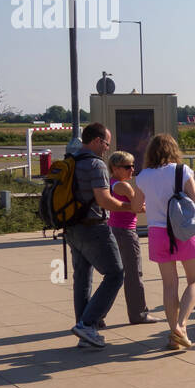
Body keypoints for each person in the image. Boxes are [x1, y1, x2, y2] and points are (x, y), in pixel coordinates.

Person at [136, 133, 195, 350]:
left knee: (169, 284)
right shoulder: (182, 171)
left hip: (157, 232)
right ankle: (181, 326)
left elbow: (136, 206)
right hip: (182, 231)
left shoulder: (143, 176)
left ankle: (172, 334)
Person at [67, 122, 133, 349]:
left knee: (83, 277)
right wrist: (130, 207)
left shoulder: (71, 160)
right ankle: (87, 324)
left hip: (72, 227)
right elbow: (104, 200)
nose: (107, 148)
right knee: (115, 274)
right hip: (94, 226)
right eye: (106, 143)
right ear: (96, 140)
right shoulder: (95, 165)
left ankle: (85, 329)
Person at [107, 151, 160, 325]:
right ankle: (139, 314)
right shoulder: (124, 187)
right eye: (127, 166)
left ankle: (97, 315)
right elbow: (139, 207)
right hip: (126, 232)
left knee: (115, 274)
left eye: (133, 166)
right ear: (115, 168)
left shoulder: (111, 183)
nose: (132, 169)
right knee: (134, 274)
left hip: (114, 229)